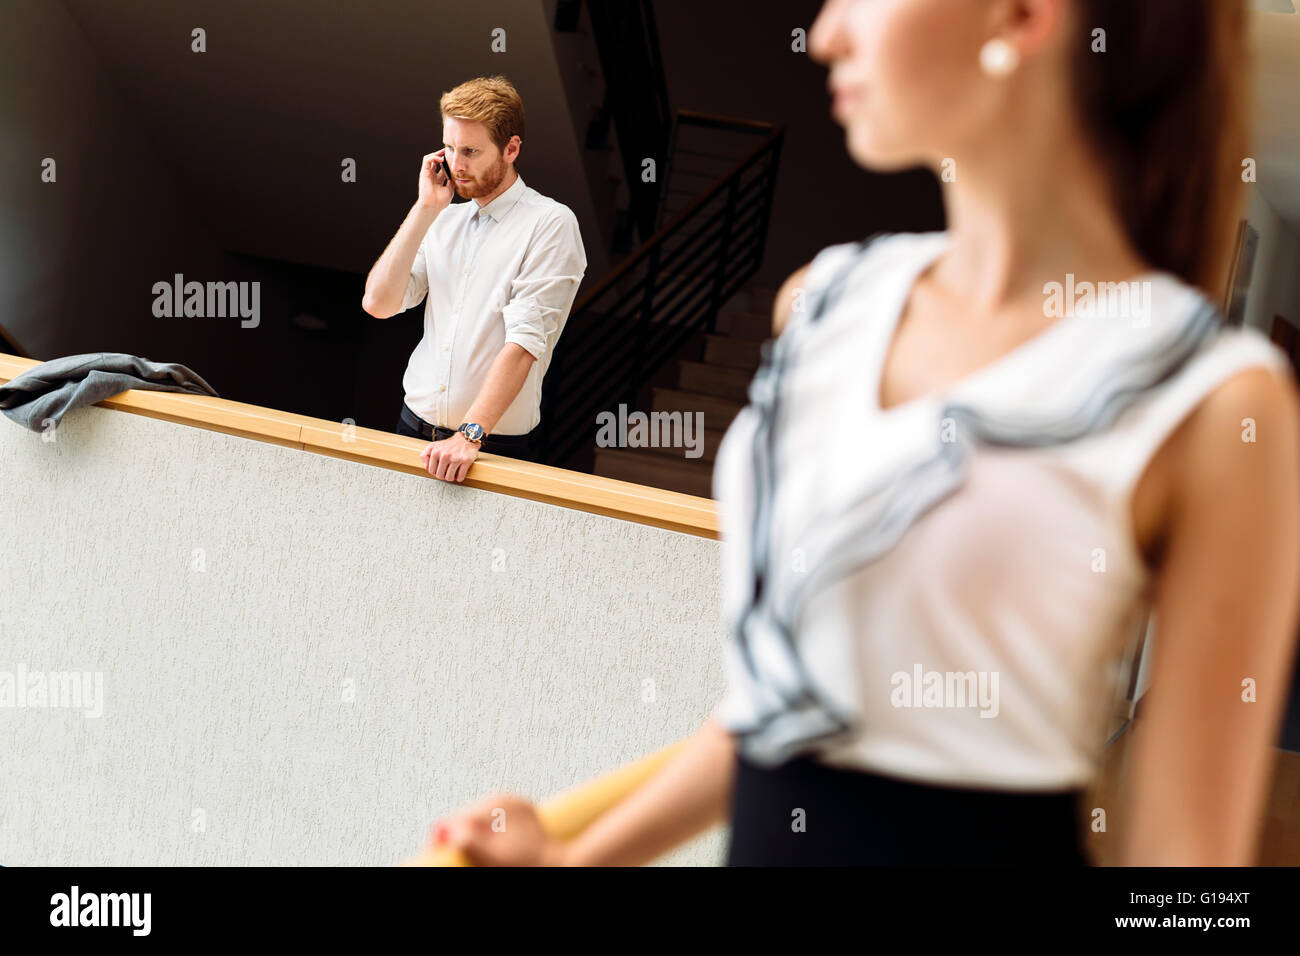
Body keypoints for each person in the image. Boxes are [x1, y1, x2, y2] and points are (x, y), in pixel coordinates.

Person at [425, 0, 1300, 865]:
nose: (829, 33)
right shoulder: (823, 304)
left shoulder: (1213, 402)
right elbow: (789, 705)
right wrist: (578, 860)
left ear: (1024, 16)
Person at [362, 75, 587, 477]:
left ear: (511, 148)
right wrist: (425, 208)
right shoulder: (442, 220)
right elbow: (378, 304)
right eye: (449, 147)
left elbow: (524, 343)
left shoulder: (551, 223)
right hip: (411, 430)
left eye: (470, 151)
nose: (456, 163)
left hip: (487, 448)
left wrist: (469, 435)